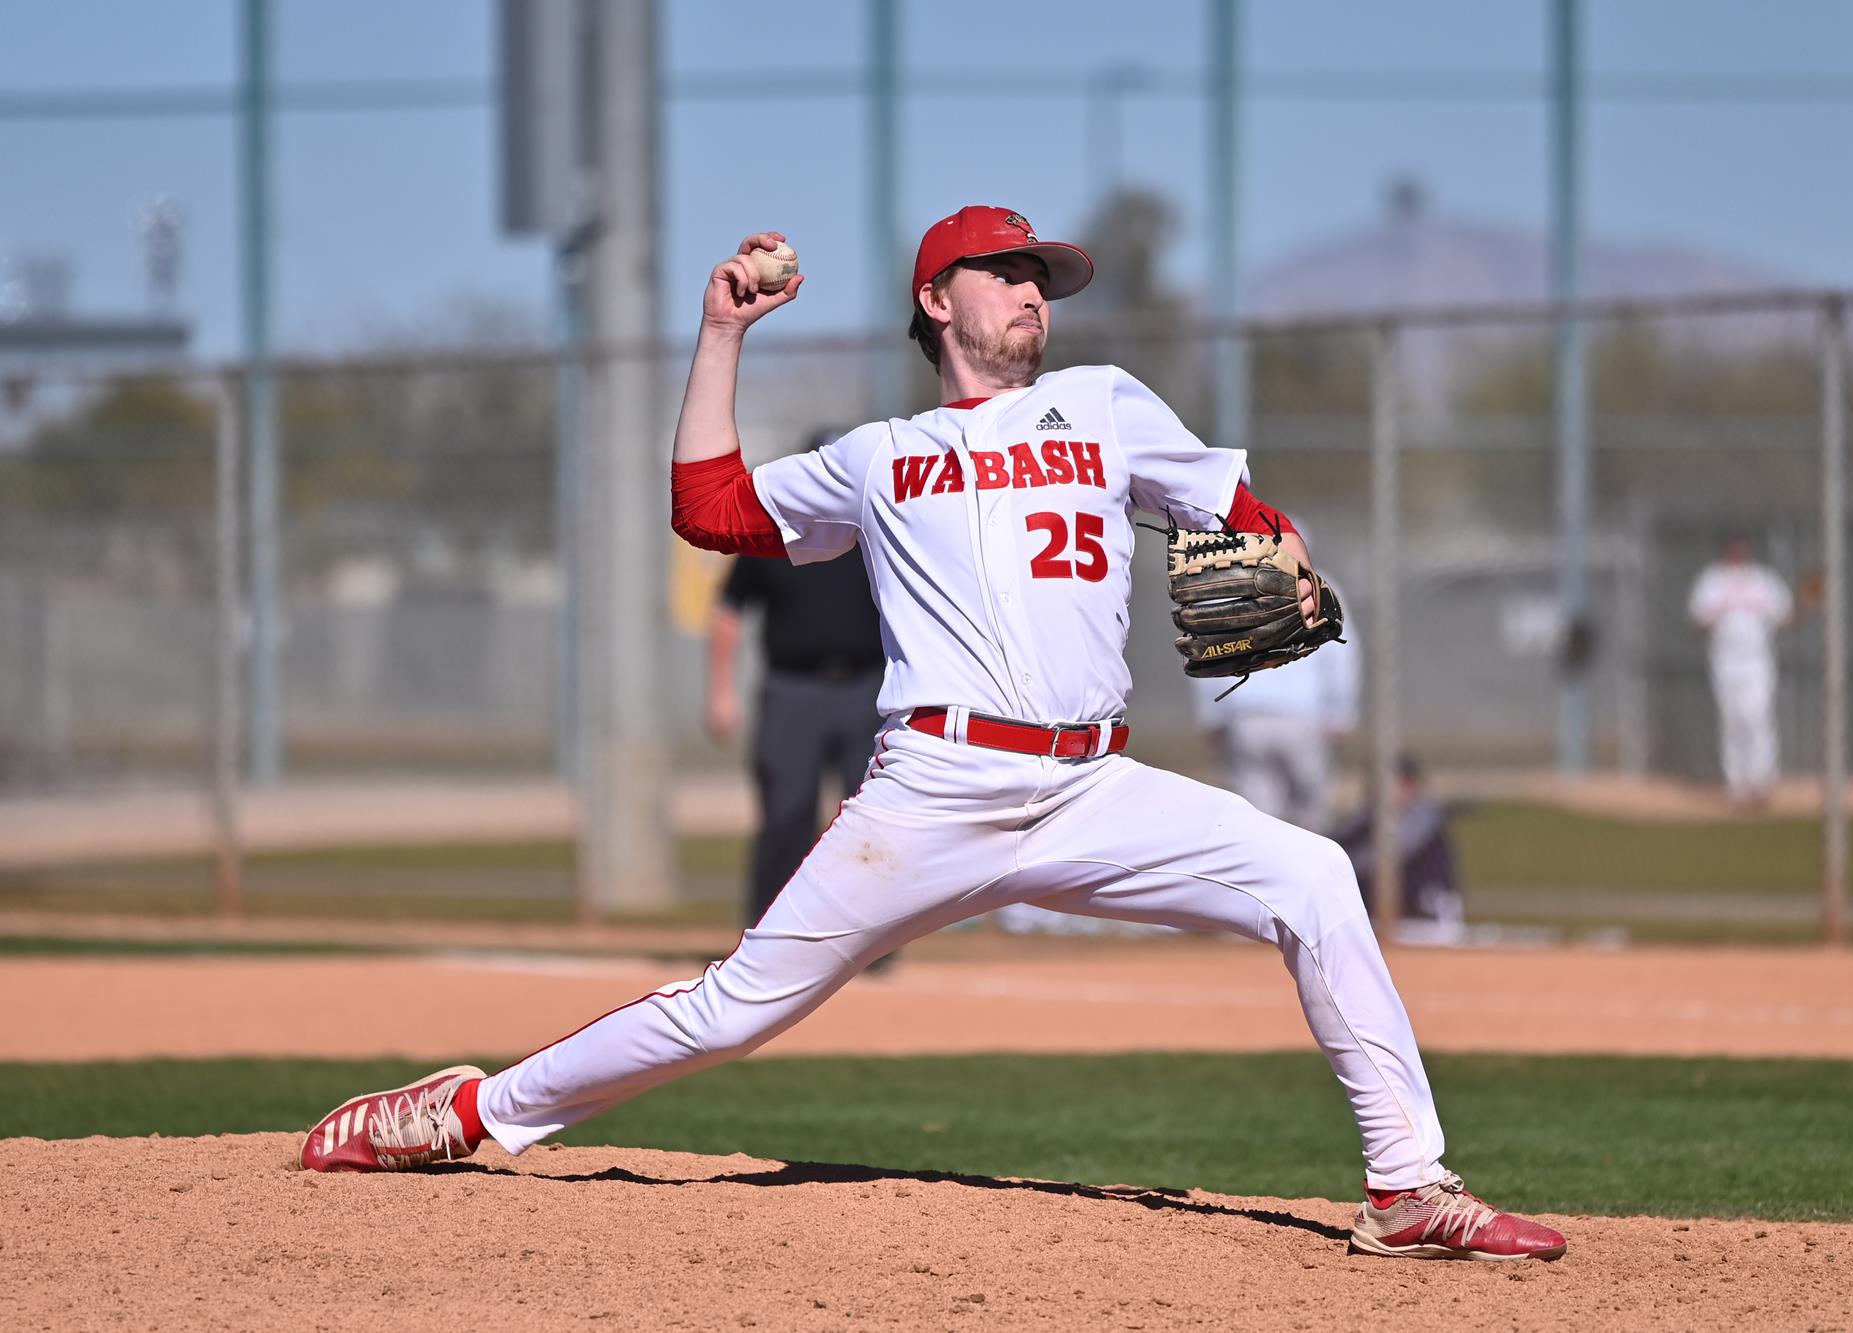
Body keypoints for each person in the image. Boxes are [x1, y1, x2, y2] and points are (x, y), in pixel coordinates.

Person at [298, 207, 1566, 1263]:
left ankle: (1405, 1187)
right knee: (733, 1010)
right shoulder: (877, 457)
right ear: (937, 299)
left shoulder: (1102, 403)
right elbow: (708, 510)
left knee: (1314, 873)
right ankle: (468, 1108)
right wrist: (719, 333)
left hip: (1091, 786)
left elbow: (1230, 505)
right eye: (1005, 273)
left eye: (1041, 279)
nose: (1031, 293)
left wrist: (1279, 539)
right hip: (934, 786)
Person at [705, 463, 887, 927]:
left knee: (871, 819)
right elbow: (728, 611)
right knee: (786, 813)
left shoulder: (878, 535)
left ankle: (864, 938)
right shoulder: (772, 539)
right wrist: (720, 693)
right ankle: (767, 934)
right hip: (792, 691)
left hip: (869, 691)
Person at [1193, 549, 1359, 830]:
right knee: (1311, 820)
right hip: (1304, 717)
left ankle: (1268, 873)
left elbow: (1209, 652)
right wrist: (1340, 713)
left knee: (1260, 822)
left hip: (1248, 717)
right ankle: (1307, 873)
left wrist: (1212, 715)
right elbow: (1341, 655)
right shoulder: (1319, 587)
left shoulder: (1233, 585)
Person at [1686, 535, 1793, 805]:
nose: (1738, 551)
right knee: (1732, 720)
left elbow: (1785, 616)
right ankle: (1737, 785)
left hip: (1757, 660)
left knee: (1757, 717)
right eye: (1733, 546)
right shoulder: (1712, 580)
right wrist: (1711, 618)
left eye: (1742, 546)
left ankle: (1761, 782)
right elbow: (1696, 618)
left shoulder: (1763, 579)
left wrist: (1799, 608)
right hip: (1725, 660)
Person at [1328, 755, 1465, 943]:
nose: (1374, 788)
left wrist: (1335, 866)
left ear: (1409, 786)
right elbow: (1333, 838)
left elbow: (1381, 858)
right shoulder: (1370, 817)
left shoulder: (1422, 816)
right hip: (1388, 922)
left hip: (1427, 923)